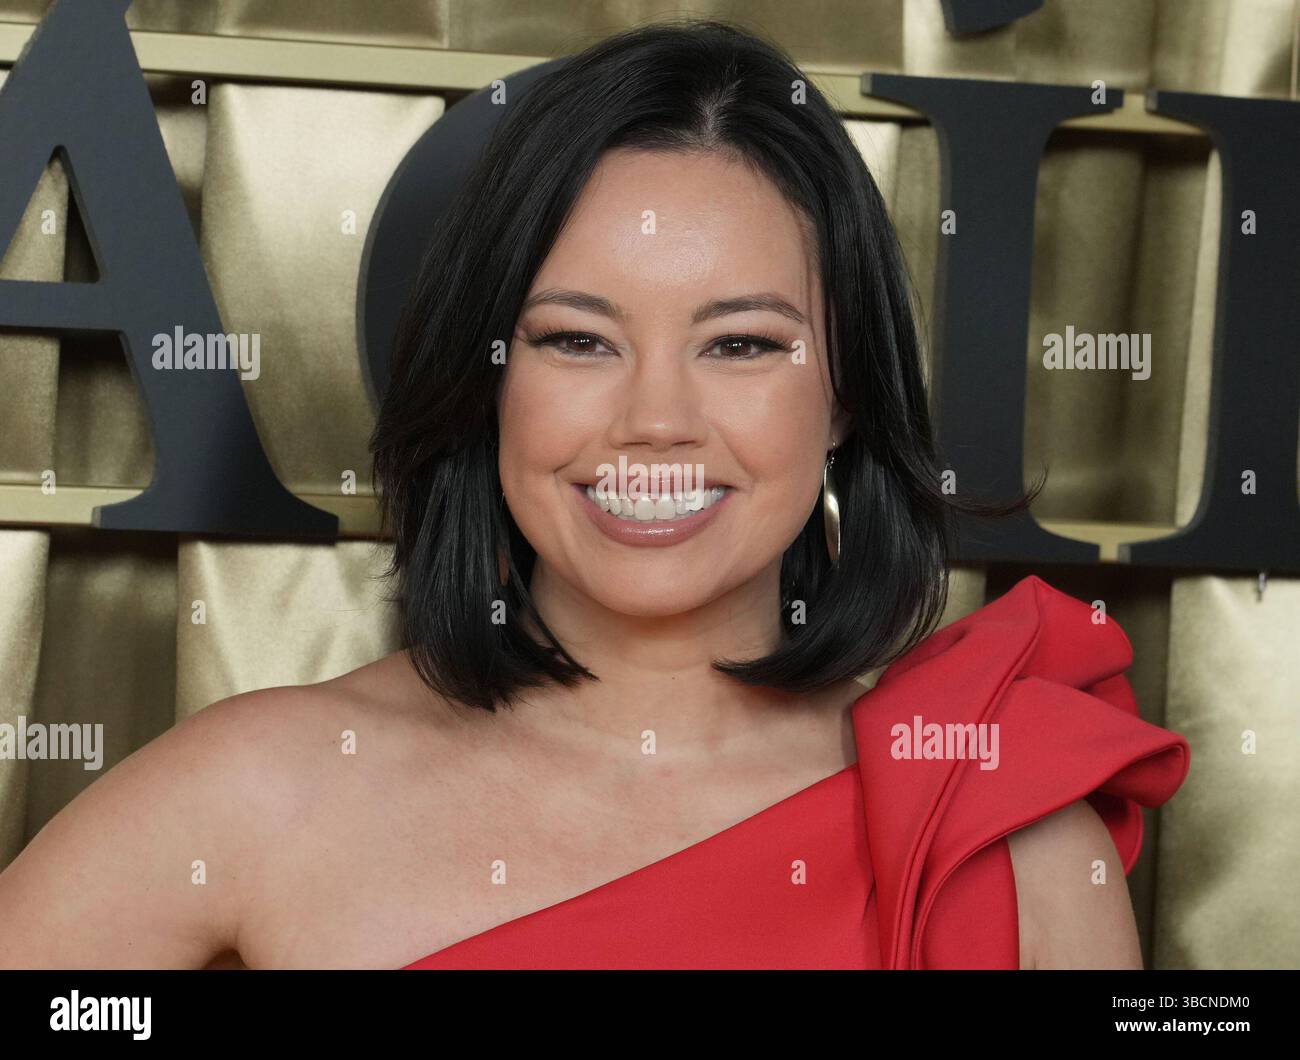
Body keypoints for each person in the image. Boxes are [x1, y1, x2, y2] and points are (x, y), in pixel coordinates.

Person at [0, 18, 1188, 970]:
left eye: (739, 345)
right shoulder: (262, 786)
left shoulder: (999, 827)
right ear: (490, 381)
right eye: (576, 341)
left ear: (842, 401)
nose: (653, 422)